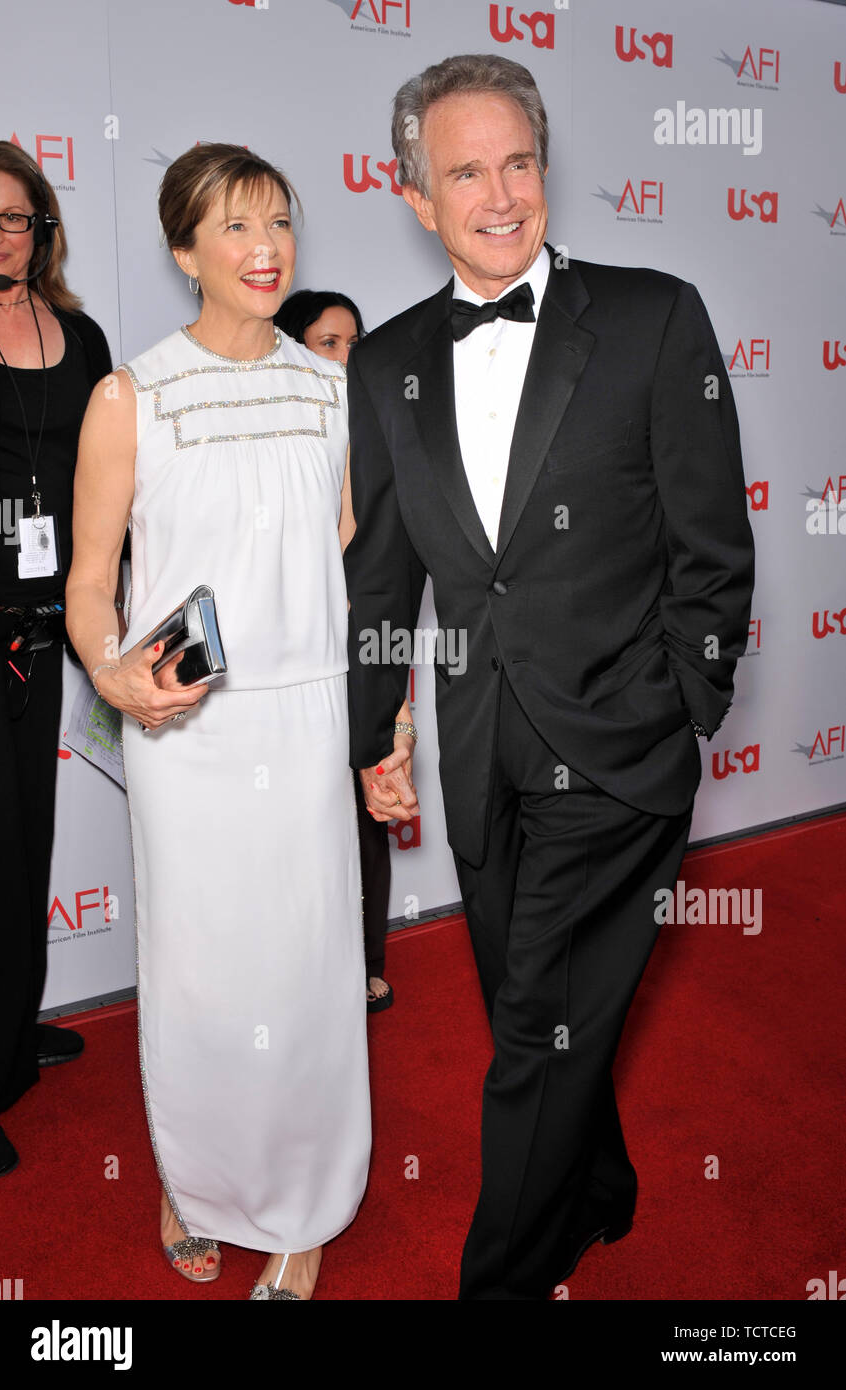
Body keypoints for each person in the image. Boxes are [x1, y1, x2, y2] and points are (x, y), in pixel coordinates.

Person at [343, 54, 755, 1300]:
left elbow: (712, 545)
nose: (500, 193)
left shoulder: (650, 315)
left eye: (517, 161)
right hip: (481, 755)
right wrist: (374, 737)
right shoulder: (390, 359)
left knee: (531, 1027)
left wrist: (687, 704)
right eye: (465, 171)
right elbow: (383, 579)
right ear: (417, 197)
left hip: (620, 749)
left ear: (545, 165)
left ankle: (503, 1279)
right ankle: (599, 1191)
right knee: (545, 1006)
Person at [66, 144, 404, 1299]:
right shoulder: (132, 394)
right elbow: (89, 585)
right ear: (183, 251)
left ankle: (304, 1205)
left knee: (308, 968)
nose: (266, 249)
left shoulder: (328, 387)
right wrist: (116, 677)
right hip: (189, 735)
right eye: (236, 227)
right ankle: (196, 1180)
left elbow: (356, 550)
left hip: (303, 719)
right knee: (202, 971)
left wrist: (372, 705)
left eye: (279, 223)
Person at [0, 141, 112, 1181]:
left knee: (26, 842)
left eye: (13, 217)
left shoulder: (81, 335)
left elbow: (109, 479)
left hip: (46, 626)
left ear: (43, 228)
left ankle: (9, 1035)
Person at [275, 288, 401, 1013]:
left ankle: (366, 960)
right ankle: (300, 966)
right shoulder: (282, 431)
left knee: (364, 794)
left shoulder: (379, 424)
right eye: (329, 341)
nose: (347, 354)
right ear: (295, 348)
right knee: (295, 807)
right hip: (290, 639)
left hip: (363, 634)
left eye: (355, 339)